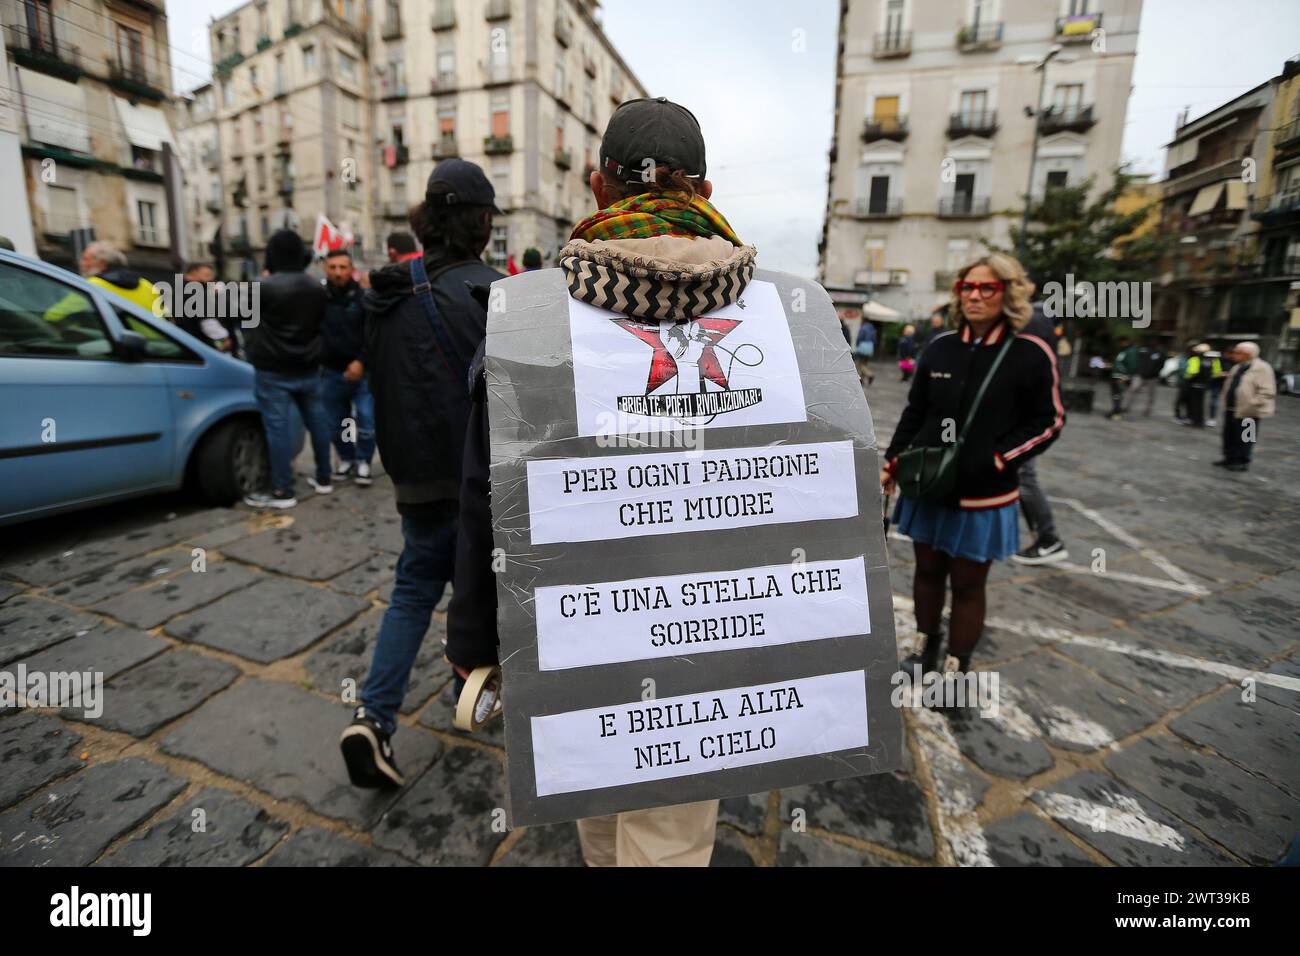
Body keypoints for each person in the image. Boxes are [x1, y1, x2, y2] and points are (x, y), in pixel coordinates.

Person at [448, 97, 754, 866]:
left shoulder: (526, 318)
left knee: (598, 789)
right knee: (674, 831)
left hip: (571, 622)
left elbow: (488, 491)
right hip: (713, 631)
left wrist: (473, 635)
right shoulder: (788, 320)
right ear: (706, 196)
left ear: (597, 187)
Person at [339, 158, 502, 788]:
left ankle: (373, 718)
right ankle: (476, 690)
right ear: (476, 222)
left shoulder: (383, 292)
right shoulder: (495, 293)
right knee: (489, 592)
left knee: (412, 590)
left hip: (412, 478)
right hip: (477, 484)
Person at [882, 253, 1064, 682]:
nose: (976, 296)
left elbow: (1050, 419)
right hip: (929, 483)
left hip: (985, 493)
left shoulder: (1029, 352)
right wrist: (892, 462)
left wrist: (999, 456)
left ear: (1008, 293)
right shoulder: (940, 347)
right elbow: (917, 410)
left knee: (967, 585)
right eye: (968, 288)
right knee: (927, 573)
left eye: (988, 288)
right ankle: (926, 648)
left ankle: (956, 666)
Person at [241, 229, 334, 509]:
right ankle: (324, 478)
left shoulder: (260, 287)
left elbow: (245, 324)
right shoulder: (317, 287)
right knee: (318, 422)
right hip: (308, 367)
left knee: (277, 429)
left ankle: (282, 490)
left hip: (273, 370)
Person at [1013, 297, 1068, 565]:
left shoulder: (1032, 319)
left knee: (1024, 474)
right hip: (1021, 409)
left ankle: (1048, 538)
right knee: (1020, 475)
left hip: (1022, 412)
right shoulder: (1038, 317)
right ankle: (1044, 536)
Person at [319, 247, 375, 486]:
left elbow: (372, 334)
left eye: (343, 267)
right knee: (337, 423)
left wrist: (361, 362)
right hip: (331, 372)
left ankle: (364, 461)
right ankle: (347, 458)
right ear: (326, 269)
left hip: (361, 373)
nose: (338, 272)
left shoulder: (364, 299)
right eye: (333, 267)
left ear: (351, 270)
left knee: (366, 419)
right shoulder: (319, 299)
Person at [1215, 342, 1274, 472]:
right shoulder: (1237, 367)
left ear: (1248, 355)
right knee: (1229, 435)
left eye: (1237, 352)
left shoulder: (1262, 368)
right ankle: (1229, 458)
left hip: (1249, 412)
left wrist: (1253, 402)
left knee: (1246, 438)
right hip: (1231, 409)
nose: (1233, 355)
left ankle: (1242, 461)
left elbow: (1268, 391)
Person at [174, 262, 240, 356]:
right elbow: (208, 323)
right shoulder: (197, 292)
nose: (211, 279)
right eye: (207, 275)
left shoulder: (179, 289)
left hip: (189, 344)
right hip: (205, 346)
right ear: (194, 274)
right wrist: (223, 338)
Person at [78, 241, 160, 313]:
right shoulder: (148, 286)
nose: (81, 263)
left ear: (102, 264)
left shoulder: (91, 286)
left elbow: (69, 311)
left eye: (85, 259)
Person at [1121, 336, 1165, 417]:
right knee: (1132, 389)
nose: (1152, 342)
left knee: (1151, 395)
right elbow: (1136, 360)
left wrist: (1154, 373)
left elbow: (1161, 365)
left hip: (1152, 377)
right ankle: (1126, 406)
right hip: (1140, 375)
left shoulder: (1160, 352)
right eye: (1151, 341)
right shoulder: (1143, 350)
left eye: (1154, 341)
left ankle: (1148, 410)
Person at [1183, 342, 1220, 428]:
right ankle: (1200, 421)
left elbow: (1192, 372)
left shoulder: (1195, 359)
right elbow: (1216, 373)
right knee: (1201, 404)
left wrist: (1186, 378)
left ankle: (1194, 420)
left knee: (1193, 403)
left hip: (1193, 384)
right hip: (1204, 385)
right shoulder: (1213, 360)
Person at [1108, 336, 1136, 420]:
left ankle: (1116, 413)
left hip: (1121, 377)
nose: (1120, 344)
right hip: (1116, 376)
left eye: (1121, 342)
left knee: (1118, 395)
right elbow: (1119, 363)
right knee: (1115, 395)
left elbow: (1132, 366)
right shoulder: (1123, 351)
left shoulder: (1130, 352)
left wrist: (1126, 376)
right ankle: (1115, 411)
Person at [854, 318, 877, 385]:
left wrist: (857, 345)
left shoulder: (863, 328)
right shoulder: (873, 330)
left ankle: (870, 375)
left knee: (860, 364)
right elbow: (875, 341)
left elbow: (859, 338)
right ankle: (862, 380)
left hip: (863, 348)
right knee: (865, 364)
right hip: (870, 348)